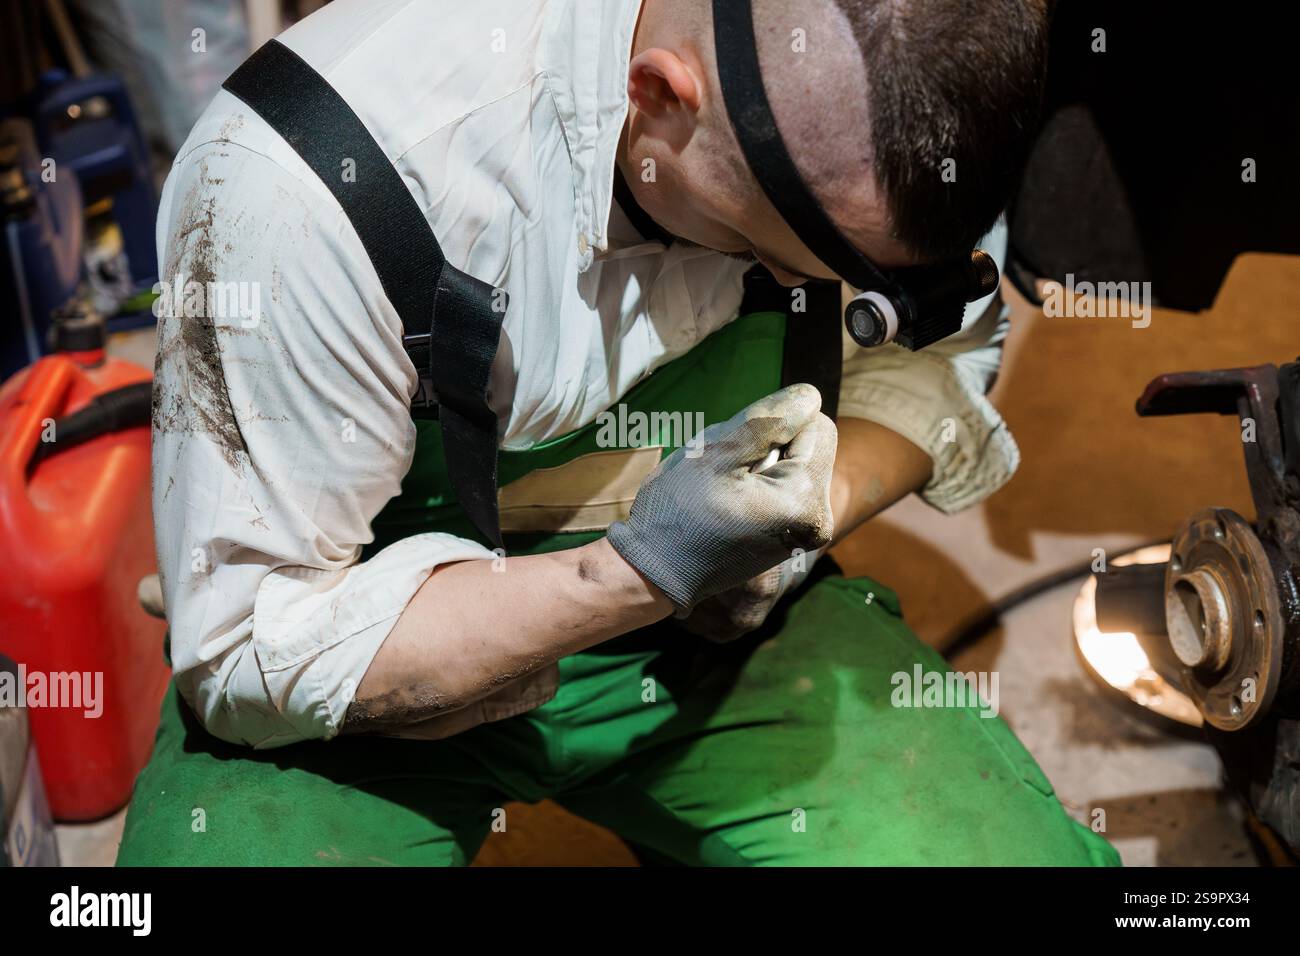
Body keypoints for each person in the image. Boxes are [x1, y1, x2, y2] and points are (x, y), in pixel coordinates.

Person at [119, 0, 1118, 866]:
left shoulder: (902, 95)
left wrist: (816, 503)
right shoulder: (295, 190)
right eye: (799, 254)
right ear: (662, 98)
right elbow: (249, 648)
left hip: (714, 646)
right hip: (371, 676)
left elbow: (942, 353)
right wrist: (633, 572)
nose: (859, 292)